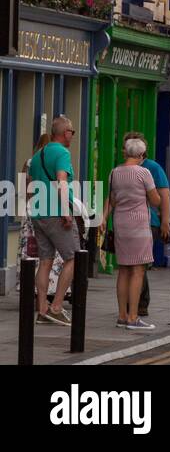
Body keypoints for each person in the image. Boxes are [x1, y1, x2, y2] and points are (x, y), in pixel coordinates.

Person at [103, 136, 161, 330]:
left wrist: (104, 217)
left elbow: (112, 200)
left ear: (126, 153)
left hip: (120, 225)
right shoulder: (144, 173)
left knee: (123, 270)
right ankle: (133, 317)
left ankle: (122, 316)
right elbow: (155, 200)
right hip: (139, 226)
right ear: (141, 154)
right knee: (138, 270)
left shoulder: (114, 173)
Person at [27, 116, 80, 326]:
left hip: (39, 213)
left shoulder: (37, 155)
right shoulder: (62, 153)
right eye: (72, 132)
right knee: (73, 258)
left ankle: (42, 309)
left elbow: (30, 186)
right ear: (65, 133)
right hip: (57, 213)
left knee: (45, 261)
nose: (72, 136)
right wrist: (66, 211)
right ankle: (56, 307)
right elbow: (62, 181)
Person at [130, 132, 170, 318]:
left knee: (139, 264)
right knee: (132, 265)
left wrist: (165, 220)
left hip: (150, 222)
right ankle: (133, 302)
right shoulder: (124, 168)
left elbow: (164, 194)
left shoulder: (152, 167)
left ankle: (141, 303)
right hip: (130, 222)